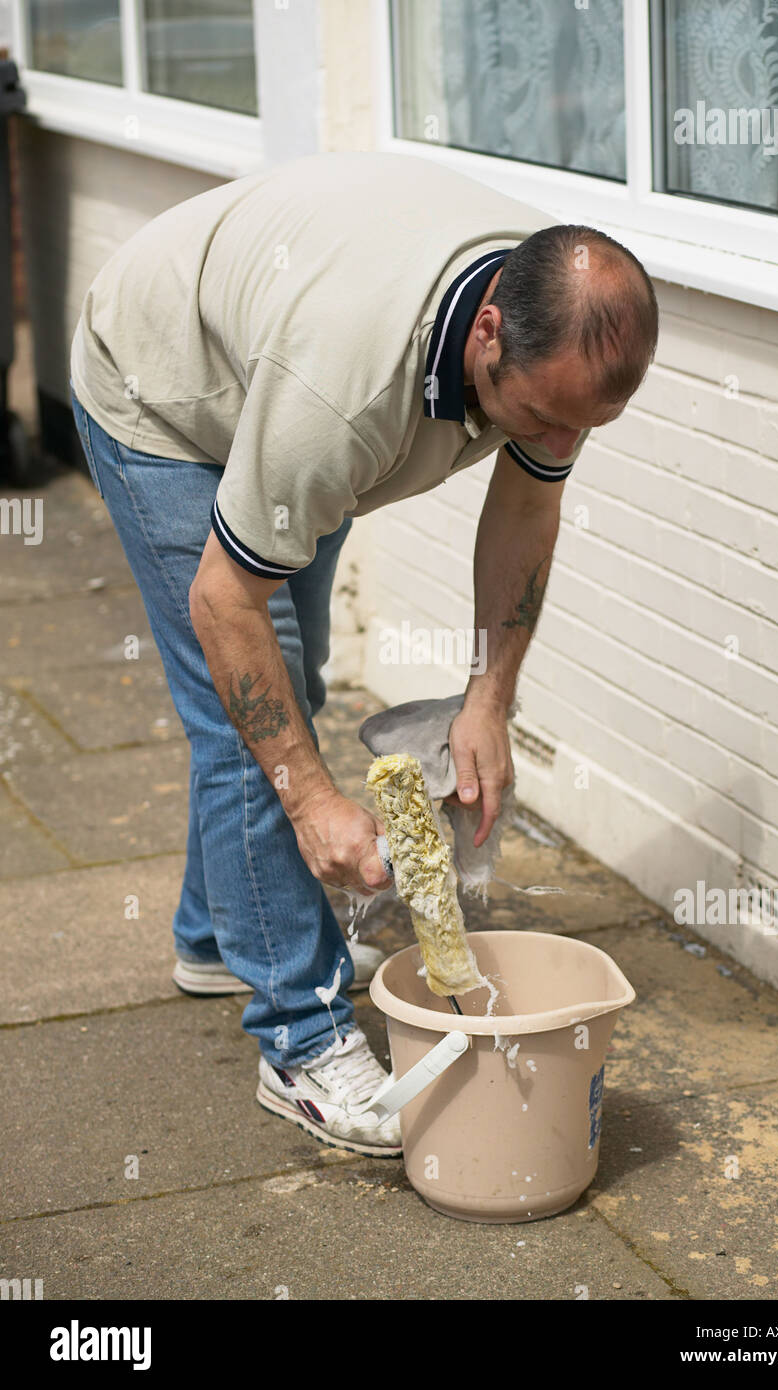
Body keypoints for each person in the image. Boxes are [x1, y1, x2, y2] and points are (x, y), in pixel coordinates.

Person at [69, 150, 658, 1157]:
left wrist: (488, 701)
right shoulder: (341, 392)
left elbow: (526, 506)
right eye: (543, 416)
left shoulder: (557, 342)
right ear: (486, 334)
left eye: (580, 425)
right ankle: (300, 1041)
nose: (558, 440)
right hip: (161, 390)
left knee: (281, 684)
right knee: (254, 721)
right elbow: (226, 601)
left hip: (271, 367)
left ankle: (219, 940)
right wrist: (312, 799)